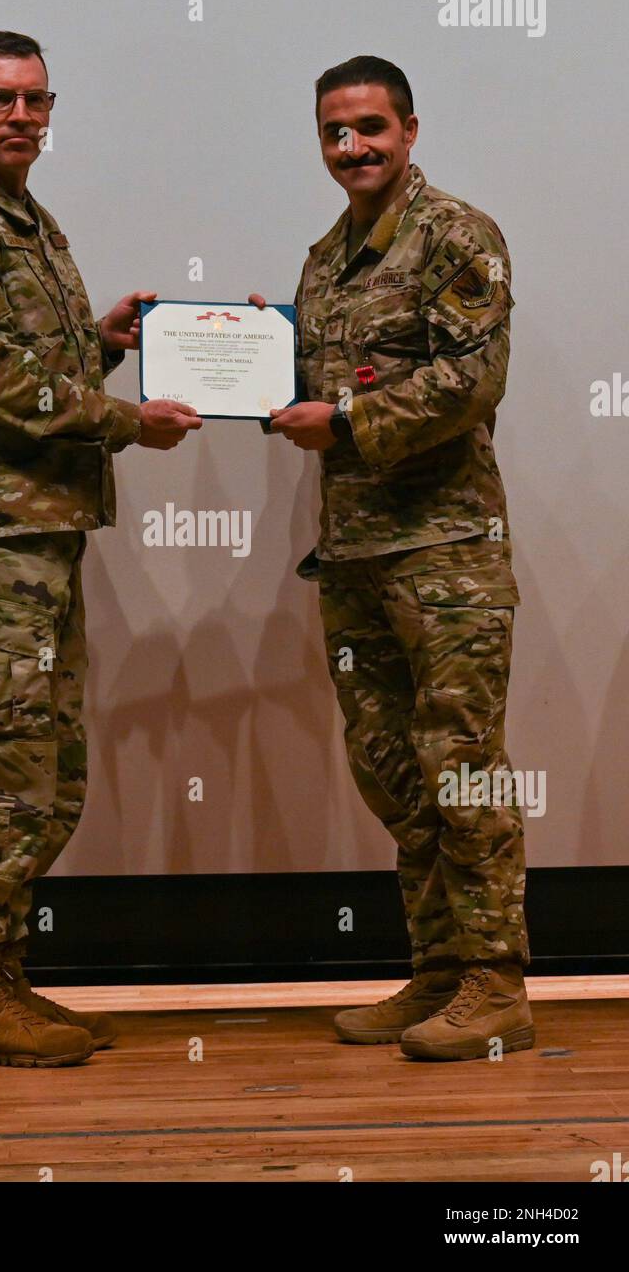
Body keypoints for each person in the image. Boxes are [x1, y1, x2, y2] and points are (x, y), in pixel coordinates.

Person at [0, 30, 201, 1067]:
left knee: (49, 770)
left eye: (35, 99)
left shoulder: (27, 223)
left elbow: (36, 360)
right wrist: (129, 420)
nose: (21, 117)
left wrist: (103, 343)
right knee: (1, 769)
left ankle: (6, 977)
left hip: (40, 533)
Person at [269, 55, 533, 1061]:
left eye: (371, 127)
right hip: (357, 557)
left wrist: (344, 418)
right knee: (394, 776)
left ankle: (497, 982)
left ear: (411, 130)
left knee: (462, 768)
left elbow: (473, 379)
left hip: (447, 554)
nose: (353, 148)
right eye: (335, 132)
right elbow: (322, 380)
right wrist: (252, 347)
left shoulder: (459, 236)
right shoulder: (327, 257)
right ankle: (436, 971)